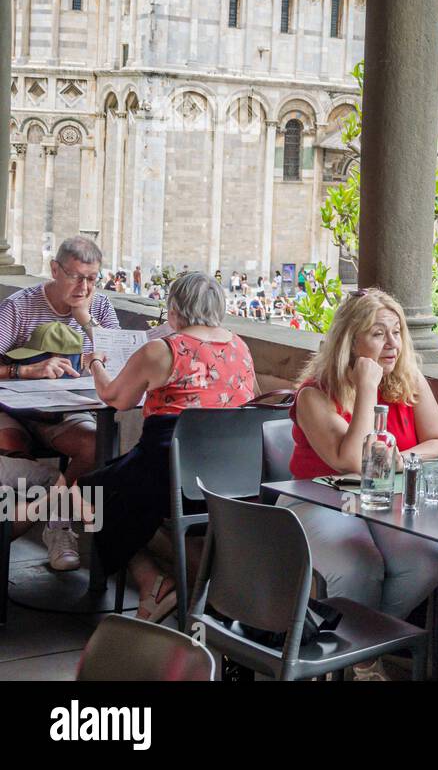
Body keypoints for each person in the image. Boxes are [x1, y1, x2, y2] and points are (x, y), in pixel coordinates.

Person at [66, 271, 257, 621]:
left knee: (84, 493)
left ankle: (153, 583)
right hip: (230, 477)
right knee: (123, 496)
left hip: (169, 471)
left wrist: (94, 363)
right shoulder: (240, 347)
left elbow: (115, 399)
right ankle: (186, 594)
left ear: (174, 310)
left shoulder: (165, 349)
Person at [282, 288, 438, 675]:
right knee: (361, 567)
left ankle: (358, 652)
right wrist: (368, 388)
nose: (392, 344)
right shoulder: (314, 395)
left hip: (382, 503)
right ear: (350, 339)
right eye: (378, 334)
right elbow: (349, 461)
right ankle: (361, 663)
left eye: (397, 332)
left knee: (427, 561)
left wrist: (400, 460)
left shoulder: (410, 381)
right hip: (317, 500)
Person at [0, 237, 120, 503]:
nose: (84, 287)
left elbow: (122, 361)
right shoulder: (19, 307)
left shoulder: (98, 306)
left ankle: (54, 517)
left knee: (97, 445)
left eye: (92, 279)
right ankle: (44, 513)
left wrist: (86, 320)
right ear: (55, 270)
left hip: (65, 413)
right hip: (12, 411)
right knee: (17, 458)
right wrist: (27, 370)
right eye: (76, 277)